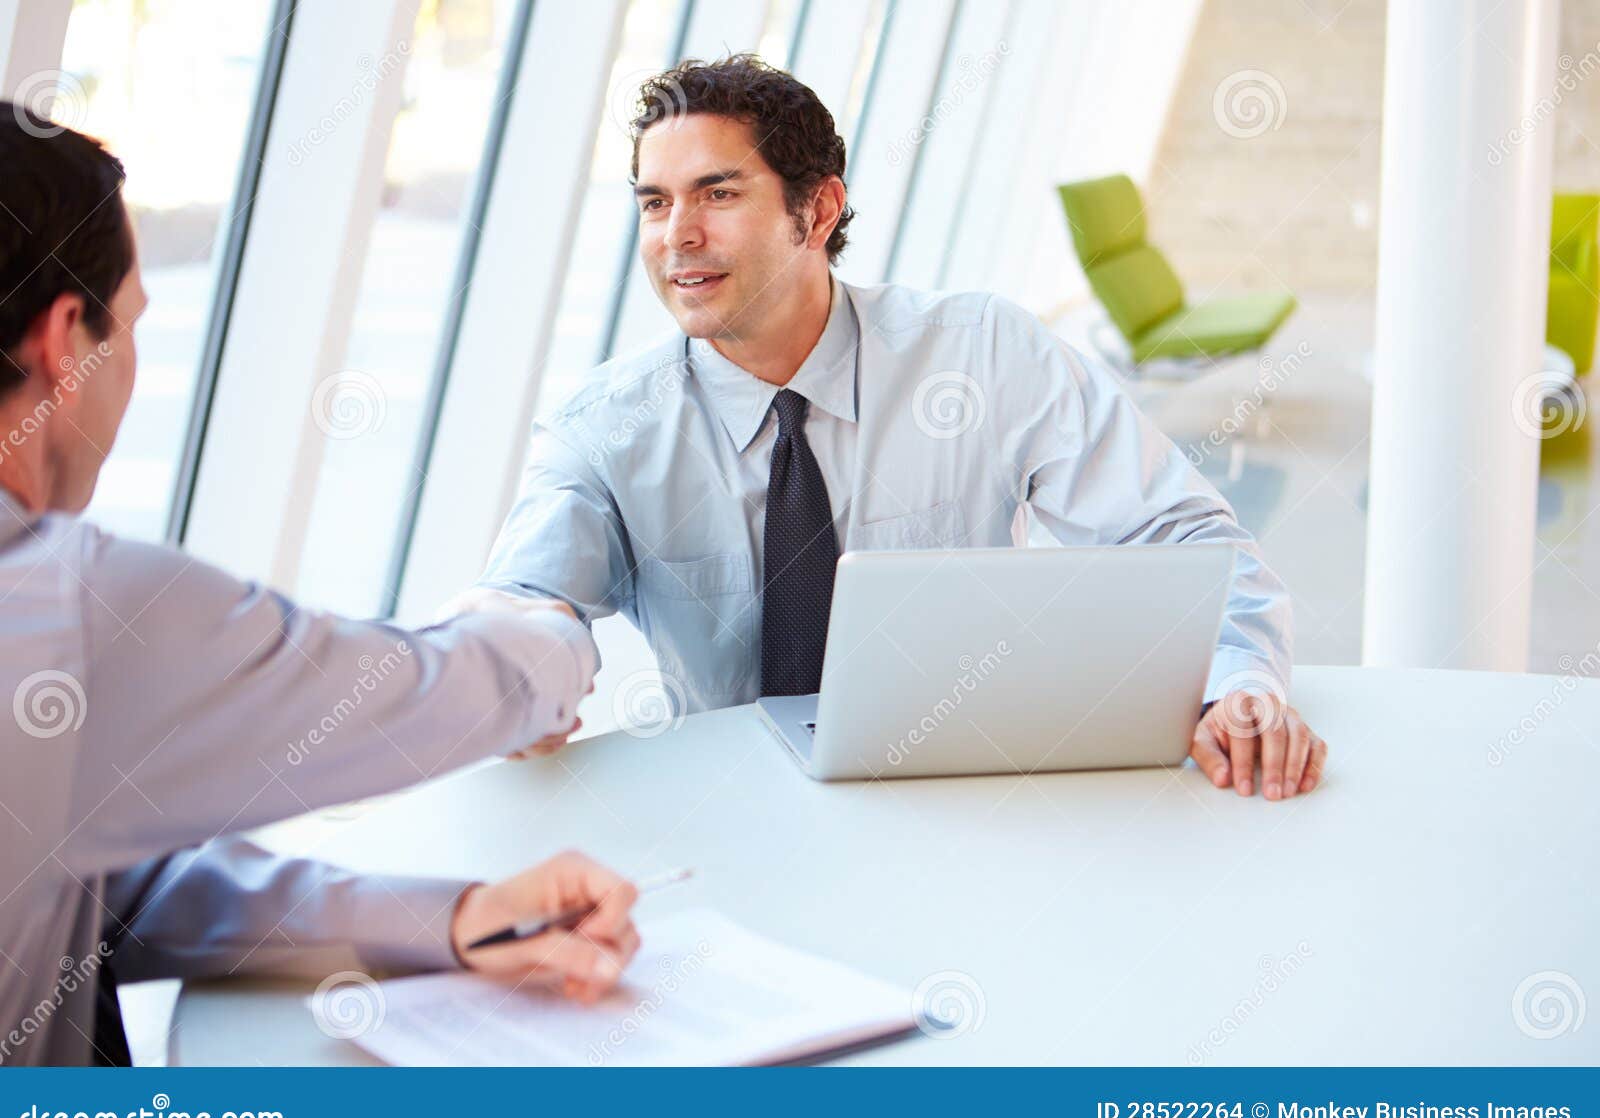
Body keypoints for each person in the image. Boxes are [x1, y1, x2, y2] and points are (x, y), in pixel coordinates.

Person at [461, 55, 1328, 799]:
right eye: (654, 203)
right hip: (733, 823)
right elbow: (529, 602)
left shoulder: (985, 354)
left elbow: (1185, 537)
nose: (677, 236)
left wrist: (1241, 683)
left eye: (716, 193)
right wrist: (514, 670)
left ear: (819, 210)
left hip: (964, 799)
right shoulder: (607, 428)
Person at [0, 104, 637, 1066]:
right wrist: (544, 622)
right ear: (62, 342)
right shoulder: (63, 609)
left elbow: (84, 899)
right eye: (127, 323)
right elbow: (454, 689)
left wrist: (452, 917)